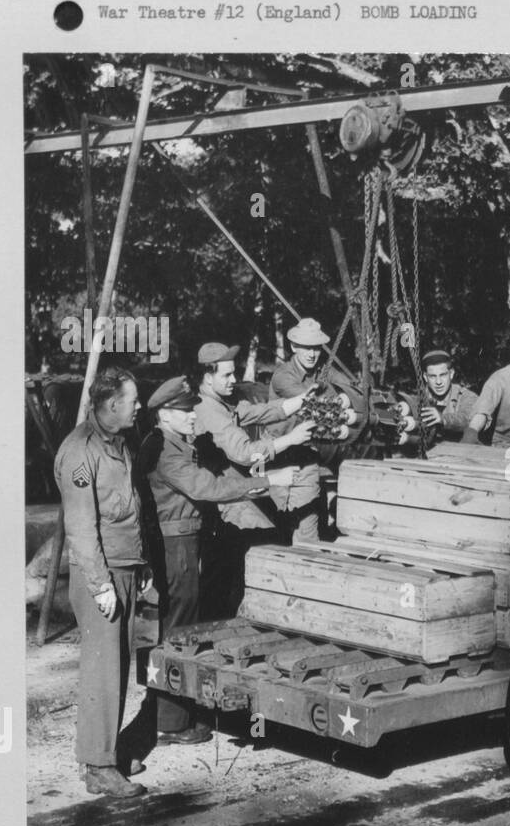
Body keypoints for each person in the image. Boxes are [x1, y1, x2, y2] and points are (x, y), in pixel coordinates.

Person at [136, 376, 299, 745]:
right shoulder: (166, 450)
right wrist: (268, 481)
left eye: (192, 409)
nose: (193, 416)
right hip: (176, 544)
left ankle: (174, 713)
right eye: (184, 411)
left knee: (181, 624)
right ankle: (171, 722)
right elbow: (206, 488)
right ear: (165, 415)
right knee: (178, 629)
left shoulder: (171, 442)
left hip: (180, 539)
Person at [54, 366, 151, 797]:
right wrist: (100, 584)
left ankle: (107, 750)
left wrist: (141, 563)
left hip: (125, 564)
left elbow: (129, 507)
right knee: (102, 669)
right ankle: (97, 766)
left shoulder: (118, 442)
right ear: (113, 404)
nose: (139, 406)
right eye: (133, 400)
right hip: (102, 572)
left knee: (118, 665)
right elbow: (80, 525)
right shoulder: (80, 450)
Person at [193, 341, 315, 615]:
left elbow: (259, 412)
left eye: (234, 373)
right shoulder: (208, 410)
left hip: (237, 492)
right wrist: (290, 439)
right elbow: (245, 453)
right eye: (226, 375)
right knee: (225, 572)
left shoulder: (224, 401)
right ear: (208, 377)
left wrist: (301, 401)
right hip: (222, 504)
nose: (233, 380)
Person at [267, 318, 361, 543]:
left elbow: (351, 389)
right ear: (294, 347)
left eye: (316, 348)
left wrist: (352, 393)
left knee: (307, 532)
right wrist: (339, 395)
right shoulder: (283, 376)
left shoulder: (324, 370)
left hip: (307, 456)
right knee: (278, 526)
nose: (312, 354)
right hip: (278, 455)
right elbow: (310, 401)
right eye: (306, 347)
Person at [416, 349, 479, 441]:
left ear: (451, 374)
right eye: (433, 376)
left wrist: (443, 419)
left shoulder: (467, 396)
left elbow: (467, 419)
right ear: (425, 377)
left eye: (443, 375)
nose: (438, 382)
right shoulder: (419, 398)